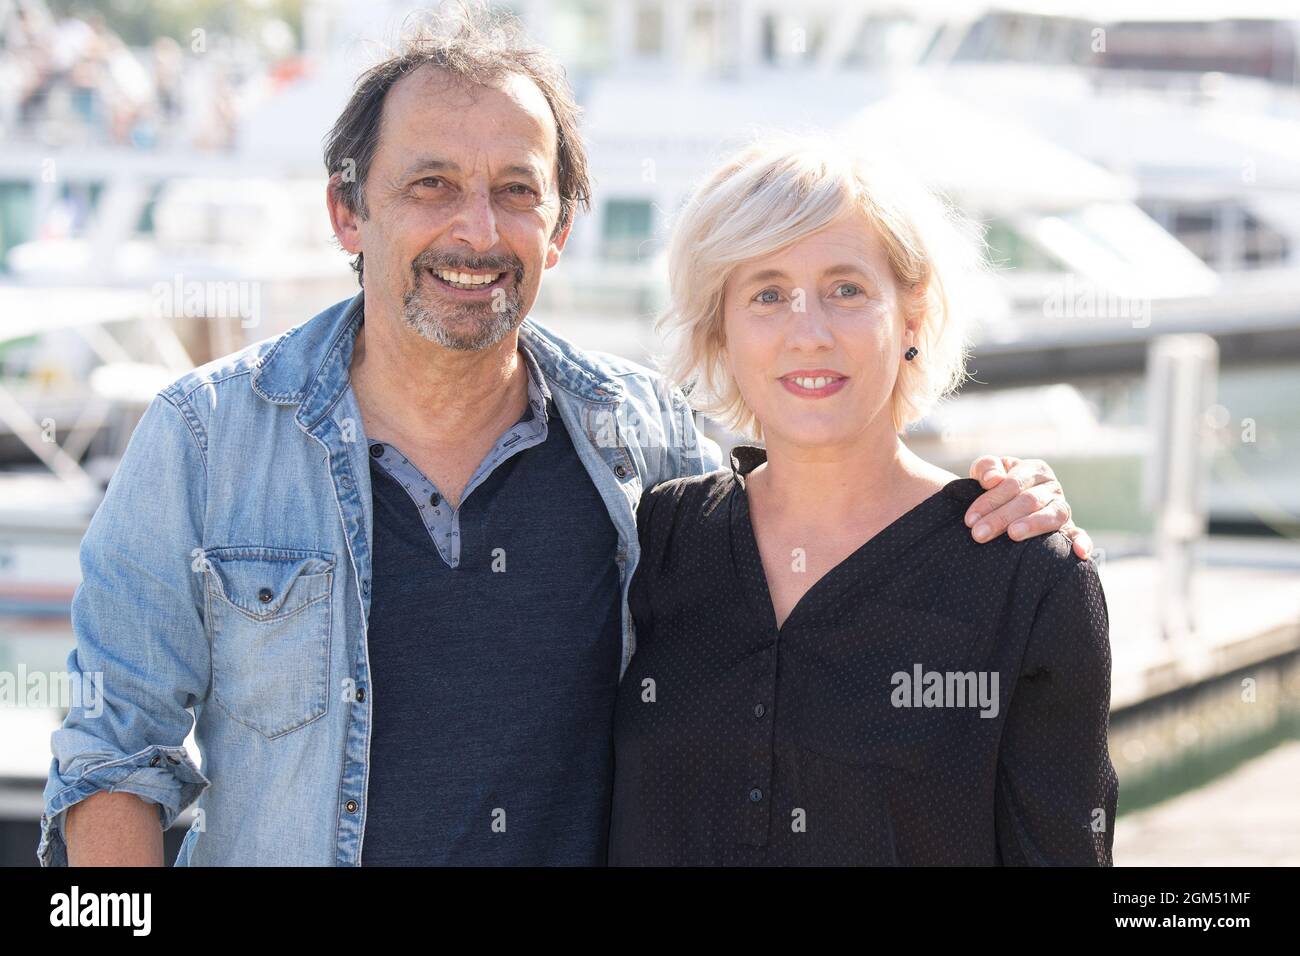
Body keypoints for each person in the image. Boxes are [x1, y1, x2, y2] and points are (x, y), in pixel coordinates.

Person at [41, 10, 1089, 867]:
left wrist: (997, 507)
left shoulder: (646, 448)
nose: (477, 230)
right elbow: (111, 758)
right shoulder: (205, 438)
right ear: (347, 212)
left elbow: (817, 490)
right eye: (431, 184)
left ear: (561, 228)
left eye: (515, 192)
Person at [609, 135, 1118, 865]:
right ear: (720, 331)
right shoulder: (657, 539)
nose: (807, 333)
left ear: (911, 320)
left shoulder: (1026, 578)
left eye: (846, 290)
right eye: (768, 294)